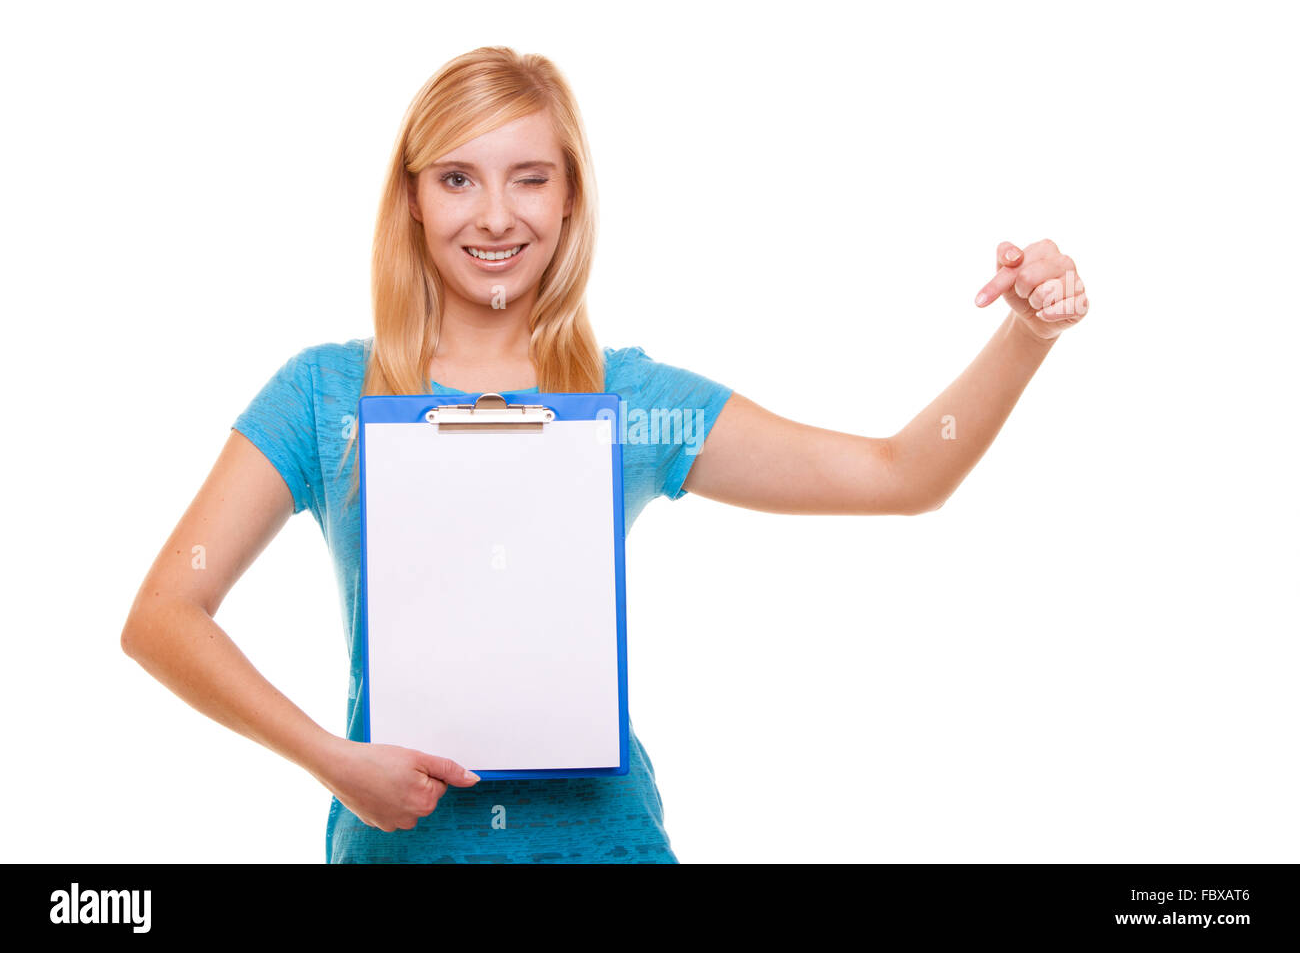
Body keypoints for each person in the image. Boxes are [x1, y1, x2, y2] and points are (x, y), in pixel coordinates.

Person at [120, 45, 1089, 864]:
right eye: (458, 177)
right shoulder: (326, 395)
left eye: (528, 177)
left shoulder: (626, 403)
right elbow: (165, 611)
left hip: (605, 843)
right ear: (412, 199)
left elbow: (900, 473)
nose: (495, 216)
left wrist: (1024, 338)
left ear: (570, 196)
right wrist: (331, 757)